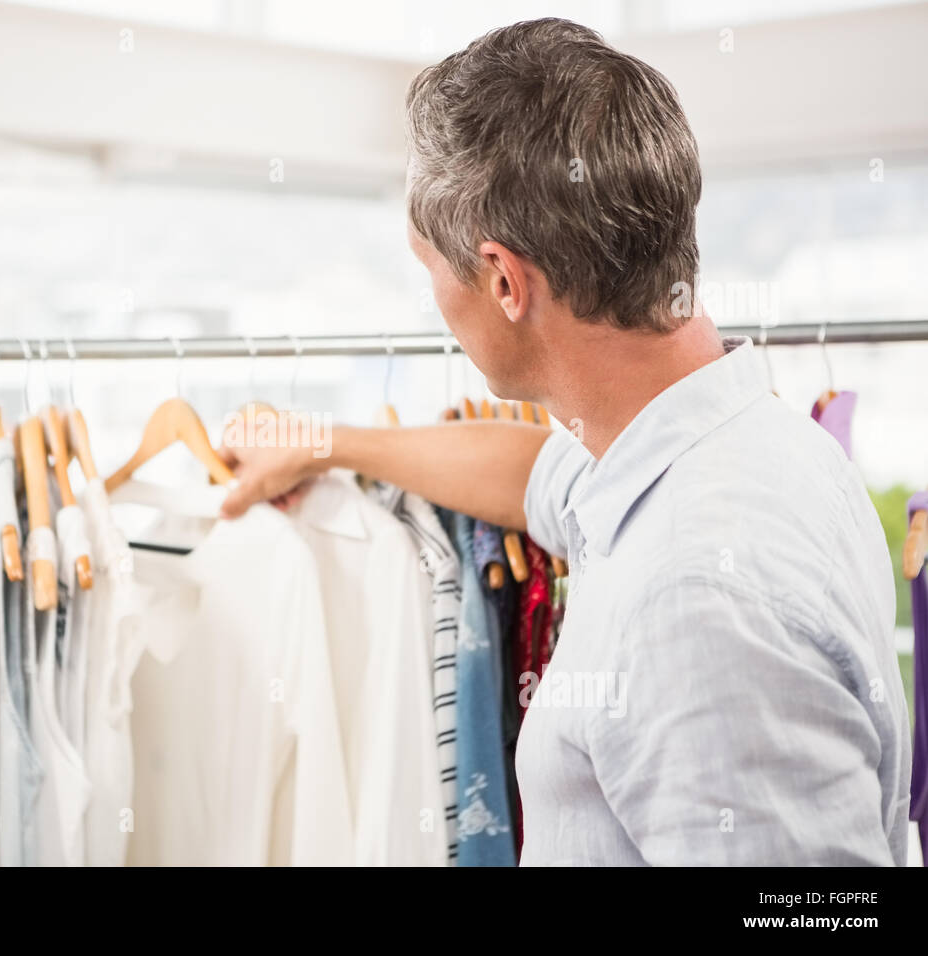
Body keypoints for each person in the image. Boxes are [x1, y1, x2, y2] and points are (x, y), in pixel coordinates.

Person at [216, 18, 911, 866]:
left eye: (430, 268)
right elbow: (538, 474)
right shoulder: (727, 445)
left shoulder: (694, 598)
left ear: (505, 280)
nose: (434, 296)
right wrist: (320, 441)